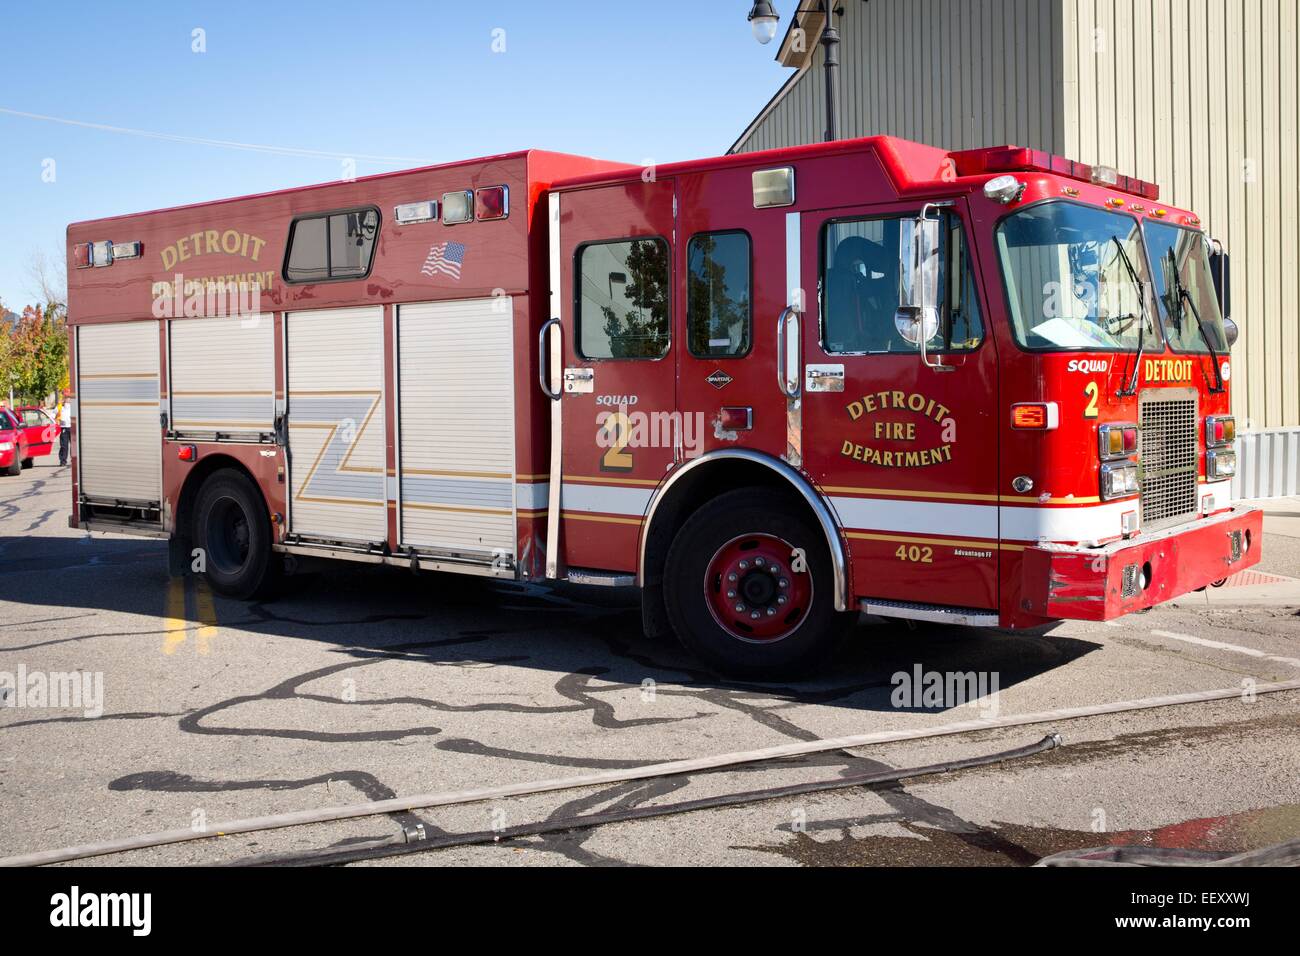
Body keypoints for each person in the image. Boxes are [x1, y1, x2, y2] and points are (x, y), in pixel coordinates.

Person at [58, 401, 71, 467]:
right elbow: (53, 415)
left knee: (75, 445)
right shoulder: (59, 407)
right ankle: (63, 461)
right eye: (66, 397)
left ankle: (75, 460)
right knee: (64, 446)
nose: (67, 399)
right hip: (64, 428)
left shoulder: (74, 405)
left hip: (73, 427)